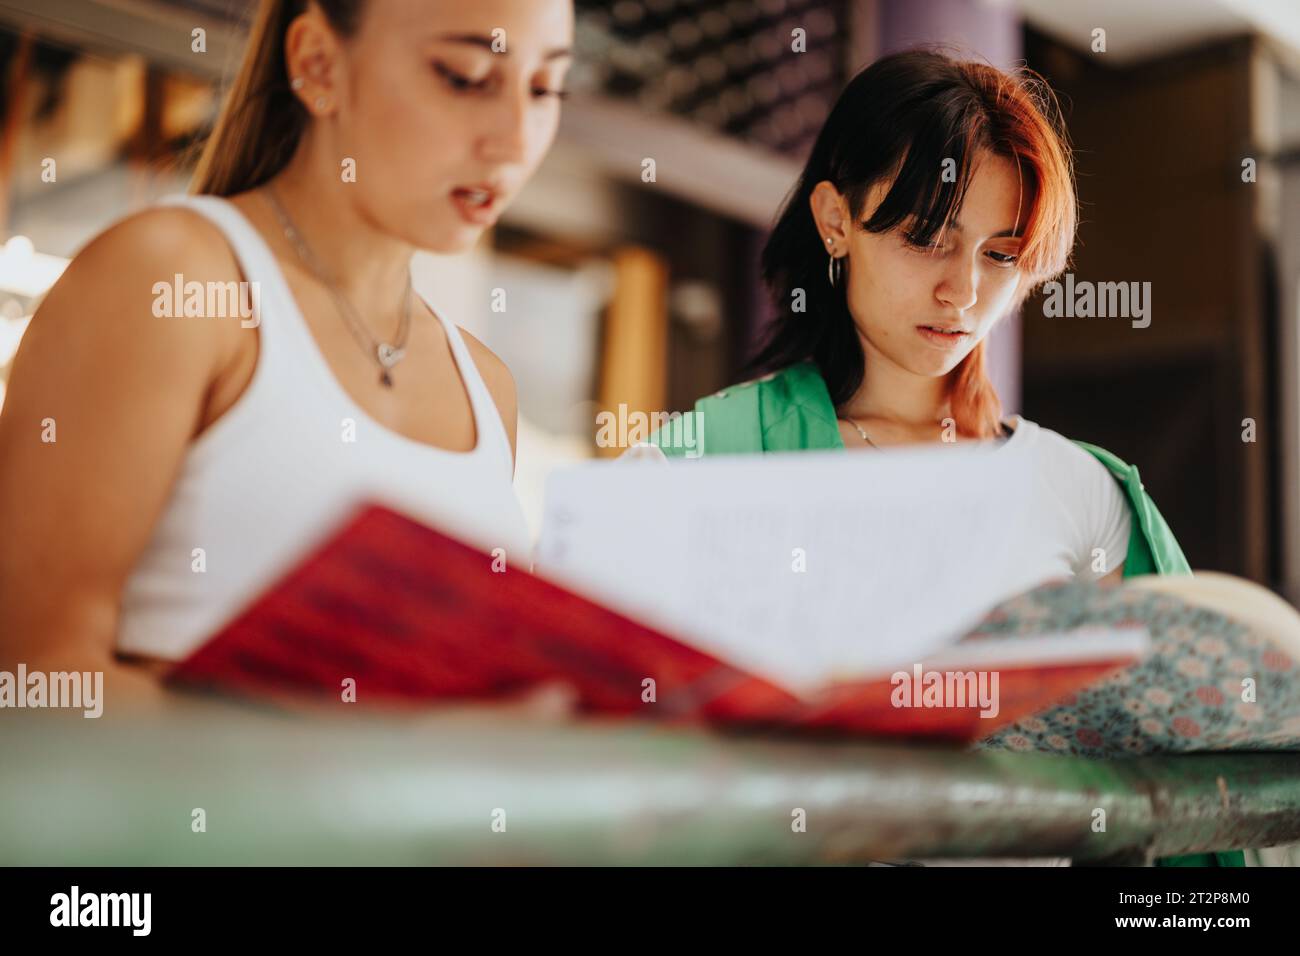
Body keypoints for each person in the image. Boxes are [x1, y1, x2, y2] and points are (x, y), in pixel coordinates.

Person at [642, 48, 1242, 866]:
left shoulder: (1081, 493)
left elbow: (1176, 796)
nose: (963, 291)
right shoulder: (695, 464)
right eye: (928, 236)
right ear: (835, 220)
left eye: (1000, 254)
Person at [0, 0, 574, 711]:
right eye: (465, 77)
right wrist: (386, 744)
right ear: (317, 63)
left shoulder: (489, 388)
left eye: (546, 88)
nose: (516, 141)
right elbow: (32, 680)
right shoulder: (174, 278)